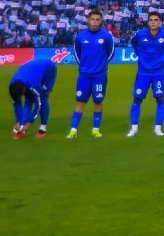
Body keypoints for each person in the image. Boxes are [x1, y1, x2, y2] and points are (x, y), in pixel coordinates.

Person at [129, 11, 164, 137]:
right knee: (137, 100)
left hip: (158, 73)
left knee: (160, 99)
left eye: (156, 20)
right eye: (151, 20)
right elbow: (133, 42)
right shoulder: (140, 34)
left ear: (160, 22)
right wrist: (139, 52)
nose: (153, 22)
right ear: (148, 22)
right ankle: (134, 128)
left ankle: (158, 128)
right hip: (143, 73)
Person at [69, 9, 115, 139]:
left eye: (97, 20)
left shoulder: (106, 36)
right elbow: (77, 53)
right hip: (84, 75)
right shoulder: (80, 36)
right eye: (92, 19)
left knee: (98, 101)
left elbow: (111, 53)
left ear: (101, 21)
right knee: (80, 101)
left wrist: (101, 65)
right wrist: (83, 66)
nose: (94, 22)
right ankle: (73, 130)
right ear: (88, 20)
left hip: (99, 75)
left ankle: (95, 129)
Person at [10, 58, 58, 139]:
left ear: (24, 89)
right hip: (33, 72)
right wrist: (18, 121)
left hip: (49, 70)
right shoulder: (12, 86)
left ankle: (43, 129)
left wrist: (29, 123)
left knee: (43, 98)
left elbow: (38, 105)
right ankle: (22, 128)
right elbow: (17, 104)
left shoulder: (33, 84)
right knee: (28, 99)